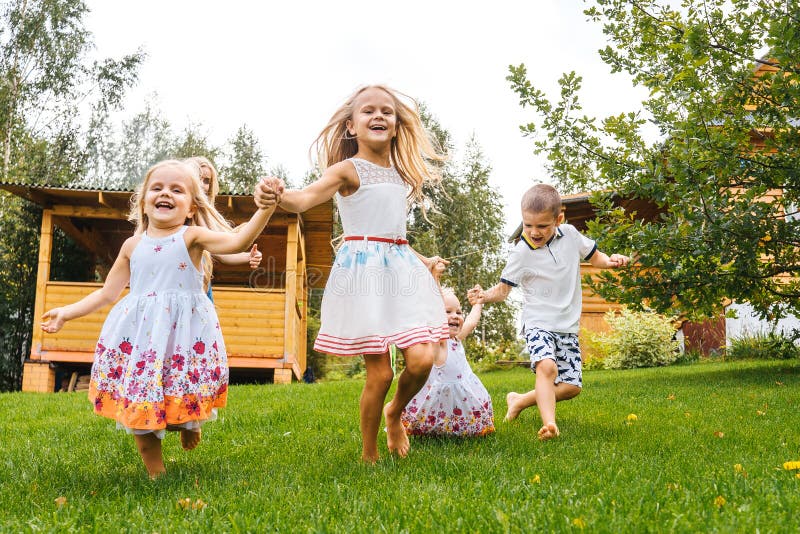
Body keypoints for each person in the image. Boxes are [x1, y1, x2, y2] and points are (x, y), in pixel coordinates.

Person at [41, 159, 280, 478]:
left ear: (192, 207)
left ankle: (189, 421)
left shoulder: (192, 237)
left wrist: (264, 208)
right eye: (157, 188)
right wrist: (66, 312)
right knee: (141, 401)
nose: (165, 193)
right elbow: (106, 294)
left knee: (180, 397)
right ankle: (157, 472)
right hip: (143, 341)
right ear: (143, 201)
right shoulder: (132, 246)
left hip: (183, 339)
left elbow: (236, 242)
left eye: (176, 190)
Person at [254, 84, 449, 462]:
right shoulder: (346, 170)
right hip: (364, 277)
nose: (379, 116)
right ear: (350, 127)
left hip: (401, 270)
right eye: (368, 111)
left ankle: (395, 412)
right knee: (381, 373)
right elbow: (303, 198)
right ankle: (370, 453)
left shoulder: (400, 174)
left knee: (423, 359)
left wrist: (421, 259)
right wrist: (276, 193)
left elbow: (393, 232)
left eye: (387, 112)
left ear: (395, 126)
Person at [469, 184, 629, 440]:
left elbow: (595, 257)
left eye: (542, 226)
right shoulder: (521, 253)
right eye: (528, 225)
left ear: (559, 219)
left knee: (571, 387)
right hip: (538, 322)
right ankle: (550, 425)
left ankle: (519, 401)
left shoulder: (571, 235)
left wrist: (611, 260)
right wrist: (484, 296)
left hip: (566, 325)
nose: (534, 232)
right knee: (547, 368)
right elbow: (503, 290)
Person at [401, 283, 495, 437]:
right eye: (447, 311)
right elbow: (433, 311)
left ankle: (457, 428)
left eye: (458, 312)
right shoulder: (438, 344)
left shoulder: (456, 339)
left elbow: (471, 322)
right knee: (435, 431)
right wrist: (435, 280)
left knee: (465, 431)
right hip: (437, 405)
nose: (455, 316)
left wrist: (478, 303)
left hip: (462, 401)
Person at [184, 156, 263, 302]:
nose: (202, 184)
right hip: (176, 290)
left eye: (207, 181)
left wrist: (248, 256)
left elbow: (222, 253)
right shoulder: (173, 216)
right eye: (198, 178)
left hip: (202, 291)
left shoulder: (204, 221)